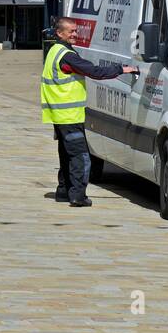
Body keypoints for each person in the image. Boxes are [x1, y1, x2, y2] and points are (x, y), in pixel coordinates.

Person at [42, 16, 138, 207]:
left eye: (76, 31)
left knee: (66, 154)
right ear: (60, 33)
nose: (75, 35)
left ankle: (63, 191)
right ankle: (78, 196)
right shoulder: (67, 56)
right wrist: (122, 69)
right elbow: (94, 71)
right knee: (80, 156)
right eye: (71, 32)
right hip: (69, 115)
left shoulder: (54, 50)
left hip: (58, 115)